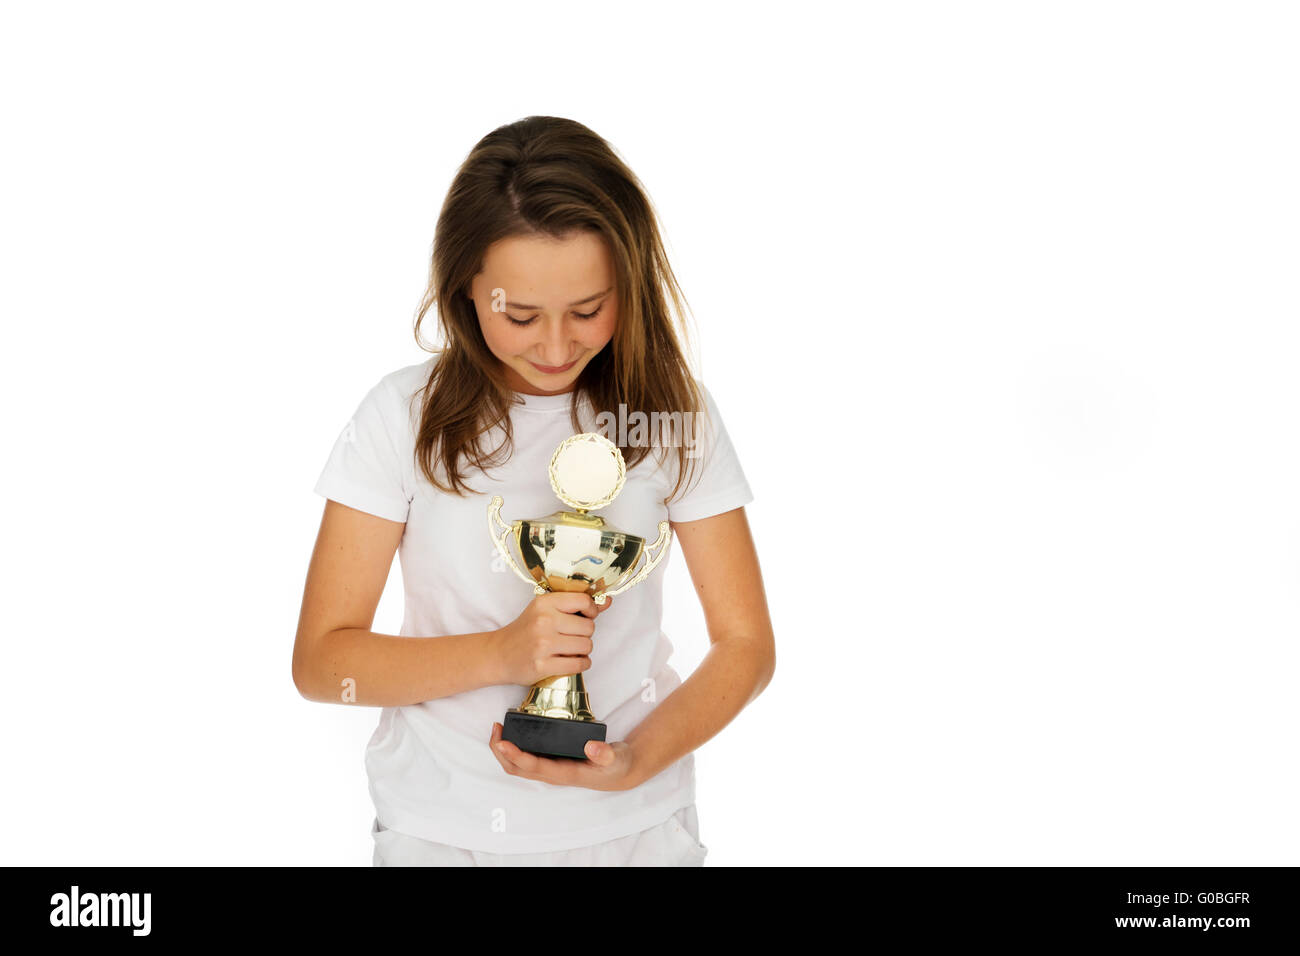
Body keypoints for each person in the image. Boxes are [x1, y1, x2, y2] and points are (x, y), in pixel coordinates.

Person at [292, 116, 776, 866]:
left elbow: (746, 646)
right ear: (464, 289)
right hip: (441, 836)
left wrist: (638, 761)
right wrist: (504, 653)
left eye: (589, 310)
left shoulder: (673, 414)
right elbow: (323, 664)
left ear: (631, 283)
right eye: (518, 315)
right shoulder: (400, 418)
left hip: (636, 834)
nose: (556, 347)